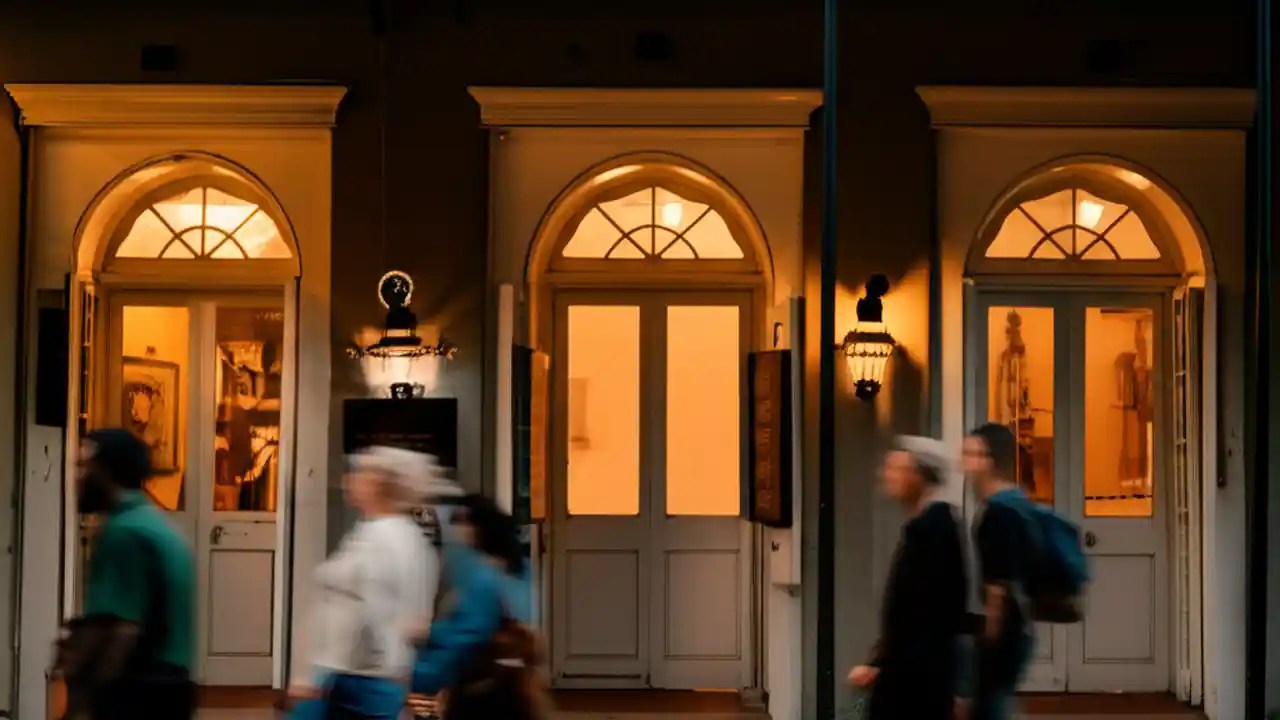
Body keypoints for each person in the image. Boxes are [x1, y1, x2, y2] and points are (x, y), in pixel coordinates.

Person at [53, 428, 196, 720]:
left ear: (106, 471)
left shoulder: (123, 531)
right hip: (174, 688)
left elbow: (119, 629)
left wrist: (81, 704)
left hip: (138, 692)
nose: (77, 477)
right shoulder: (157, 524)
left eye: (84, 466)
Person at [289, 446, 440, 720]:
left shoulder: (382, 537)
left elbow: (375, 611)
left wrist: (317, 678)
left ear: (378, 484)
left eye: (360, 474)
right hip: (363, 677)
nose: (351, 480)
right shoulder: (399, 535)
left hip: (355, 679)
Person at [848, 436, 971, 719]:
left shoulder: (936, 531)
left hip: (920, 682)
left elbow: (936, 613)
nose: (887, 475)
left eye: (898, 469)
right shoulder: (923, 527)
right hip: (909, 675)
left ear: (919, 476)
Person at [408, 494, 546, 720]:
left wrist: (419, 670)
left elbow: (466, 633)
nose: (457, 530)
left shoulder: (481, 577)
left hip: (482, 686)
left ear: (476, 527)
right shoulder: (517, 570)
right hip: (517, 685)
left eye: (461, 522)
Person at [963, 423, 1038, 719]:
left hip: (1006, 631)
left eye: (971, 453)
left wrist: (988, 642)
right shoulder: (1017, 503)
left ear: (988, 461)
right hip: (1019, 627)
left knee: (992, 707)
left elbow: (998, 588)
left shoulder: (999, 513)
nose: (964, 461)